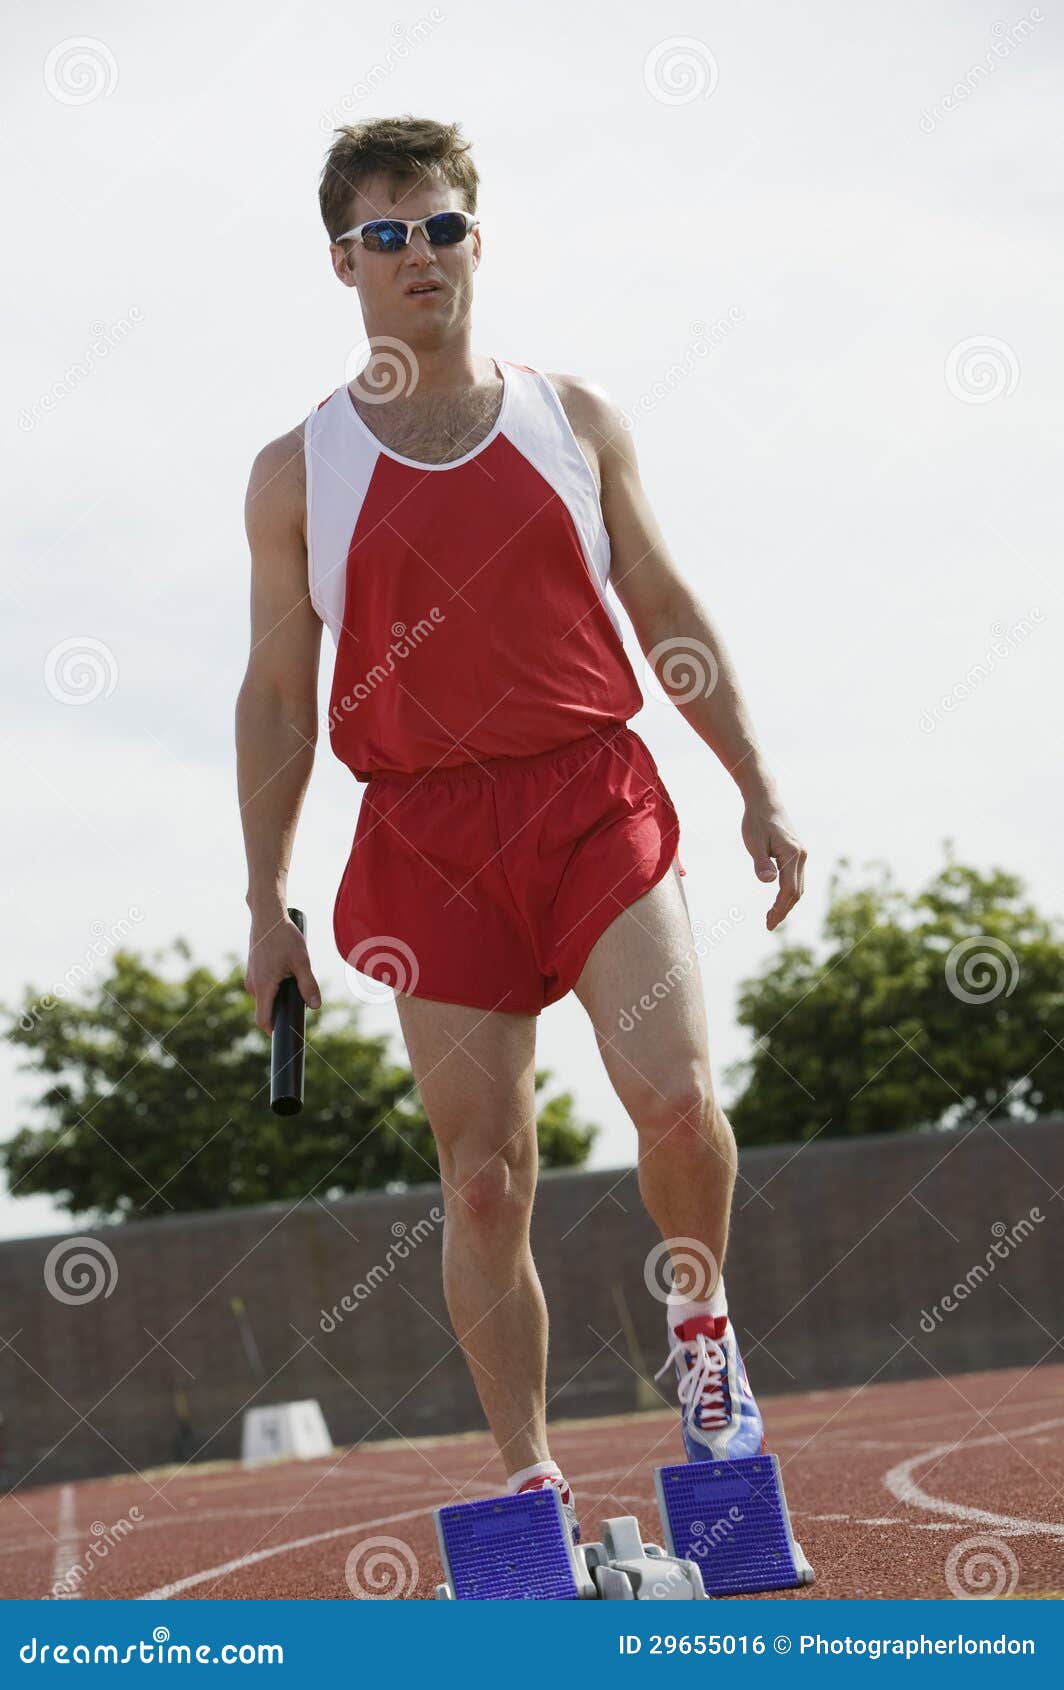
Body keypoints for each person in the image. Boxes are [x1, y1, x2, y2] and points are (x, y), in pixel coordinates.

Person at [236, 116, 806, 1544]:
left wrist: (754, 778)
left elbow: (666, 612)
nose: (417, 253)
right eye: (387, 233)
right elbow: (278, 699)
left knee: (674, 1099)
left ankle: (707, 1347)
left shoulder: (575, 415)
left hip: (590, 790)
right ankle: (529, 1474)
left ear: (475, 240)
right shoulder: (296, 470)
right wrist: (265, 898)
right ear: (342, 262)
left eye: (439, 226)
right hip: (424, 831)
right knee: (483, 1173)